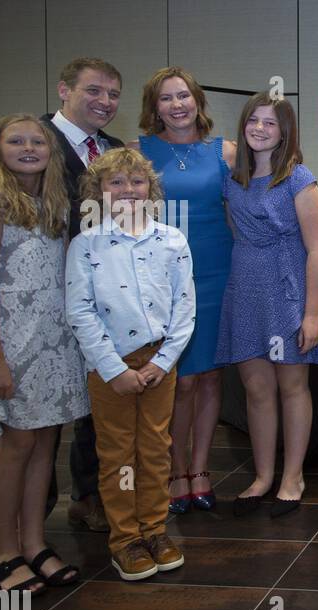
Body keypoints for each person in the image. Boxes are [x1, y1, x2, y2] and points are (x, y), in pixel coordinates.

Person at [0, 57, 126, 533]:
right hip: (23, 319)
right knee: (27, 435)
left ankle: (84, 498)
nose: (104, 101)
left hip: (89, 301)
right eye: (94, 90)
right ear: (64, 91)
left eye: (112, 94)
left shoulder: (114, 150)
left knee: (82, 413)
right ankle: (22, 531)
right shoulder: (34, 137)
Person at [0, 114, 91, 593]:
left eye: (38, 140)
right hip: (10, 344)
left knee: (45, 446)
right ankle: (3, 550)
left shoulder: (54, 204)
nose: (28, 146)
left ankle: (35, 542)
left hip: (55, 343)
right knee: (16, 445)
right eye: (16, 140)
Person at [65, 148, 195, 581]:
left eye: (136, 182)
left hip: (160, 361)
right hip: (111, 365)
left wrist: (163, 360)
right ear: (99, 191)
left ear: (151, 188)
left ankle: (155, 529)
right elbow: (80, 311)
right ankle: (125, 538)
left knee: (157, 449)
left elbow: (184, 308)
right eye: (115, 182)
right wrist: (112, 368)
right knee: (118, 453)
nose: (128, 191)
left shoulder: (172, 239)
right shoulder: (86, 244)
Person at [214, 92, 318, 518]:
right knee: (256, 389)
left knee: (291, 387)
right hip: (243, 289)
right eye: (253, 121)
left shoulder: (298, 179)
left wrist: (312, 313)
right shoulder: (233, 178)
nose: (260, 128)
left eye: (271, 123)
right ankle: (262, 476)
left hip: (286, 292)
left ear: (284, 133)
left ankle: (292, 477)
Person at [131, 67, 235, 514]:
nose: (177, 105)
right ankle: (173, 472)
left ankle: (201, 471)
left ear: (198, 101)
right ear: (154, 107)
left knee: (211, 376)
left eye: (184, 96)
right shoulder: (138, 152)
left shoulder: (226, 151)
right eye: (166, 98)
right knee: (181, 380)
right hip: (162, 277)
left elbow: (243, 208)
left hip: (217, 270)